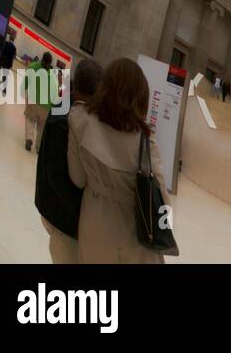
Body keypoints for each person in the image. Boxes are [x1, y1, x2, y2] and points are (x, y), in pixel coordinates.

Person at [67, 58, 171, 263]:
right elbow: (163, 202)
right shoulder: (146, 143)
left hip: (94, 228)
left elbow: (77, 179)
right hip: (135, 239)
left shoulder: (79, 121)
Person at [35, 58, 103, 263]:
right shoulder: (66, 121)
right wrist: (85, 213)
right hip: (61, 218)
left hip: (54, 209)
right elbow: (58, 176)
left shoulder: (65, 105)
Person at [23, 52, 55, 152]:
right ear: (50, 63)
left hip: (33, 100)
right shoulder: (52, 75)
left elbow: (26, 79)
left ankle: (29, 138)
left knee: (30, 119)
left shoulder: (33, 66)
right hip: (46, 106)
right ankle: (39, 147)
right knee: (41, 127)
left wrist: (25, 87)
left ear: (42, 58)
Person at [0, 31, 17, 97]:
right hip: (8, 63)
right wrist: (11, 64)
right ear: (13, 40)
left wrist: (0, 58)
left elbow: (3, 51)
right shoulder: (14, 48)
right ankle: (4, 88)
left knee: (0, 70)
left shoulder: (6, 44)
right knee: (5, 75)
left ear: (9, 38)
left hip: (4, 60)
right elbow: (13, 57)